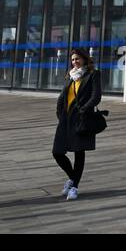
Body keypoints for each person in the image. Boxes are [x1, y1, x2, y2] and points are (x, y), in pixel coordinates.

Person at [53, 48, 102, 201]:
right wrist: (60, 113)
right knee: (57, 152)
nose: (75, 62)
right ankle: (73, 178)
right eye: (73, 60)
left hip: (81, 119)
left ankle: (74, 187)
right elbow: (63, 95)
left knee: (79, 153)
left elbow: (96, 96)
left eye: (77, 59)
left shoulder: (93, 74)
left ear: (84, 59)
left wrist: (84, 109)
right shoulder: (70, 75)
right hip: (66, 119)